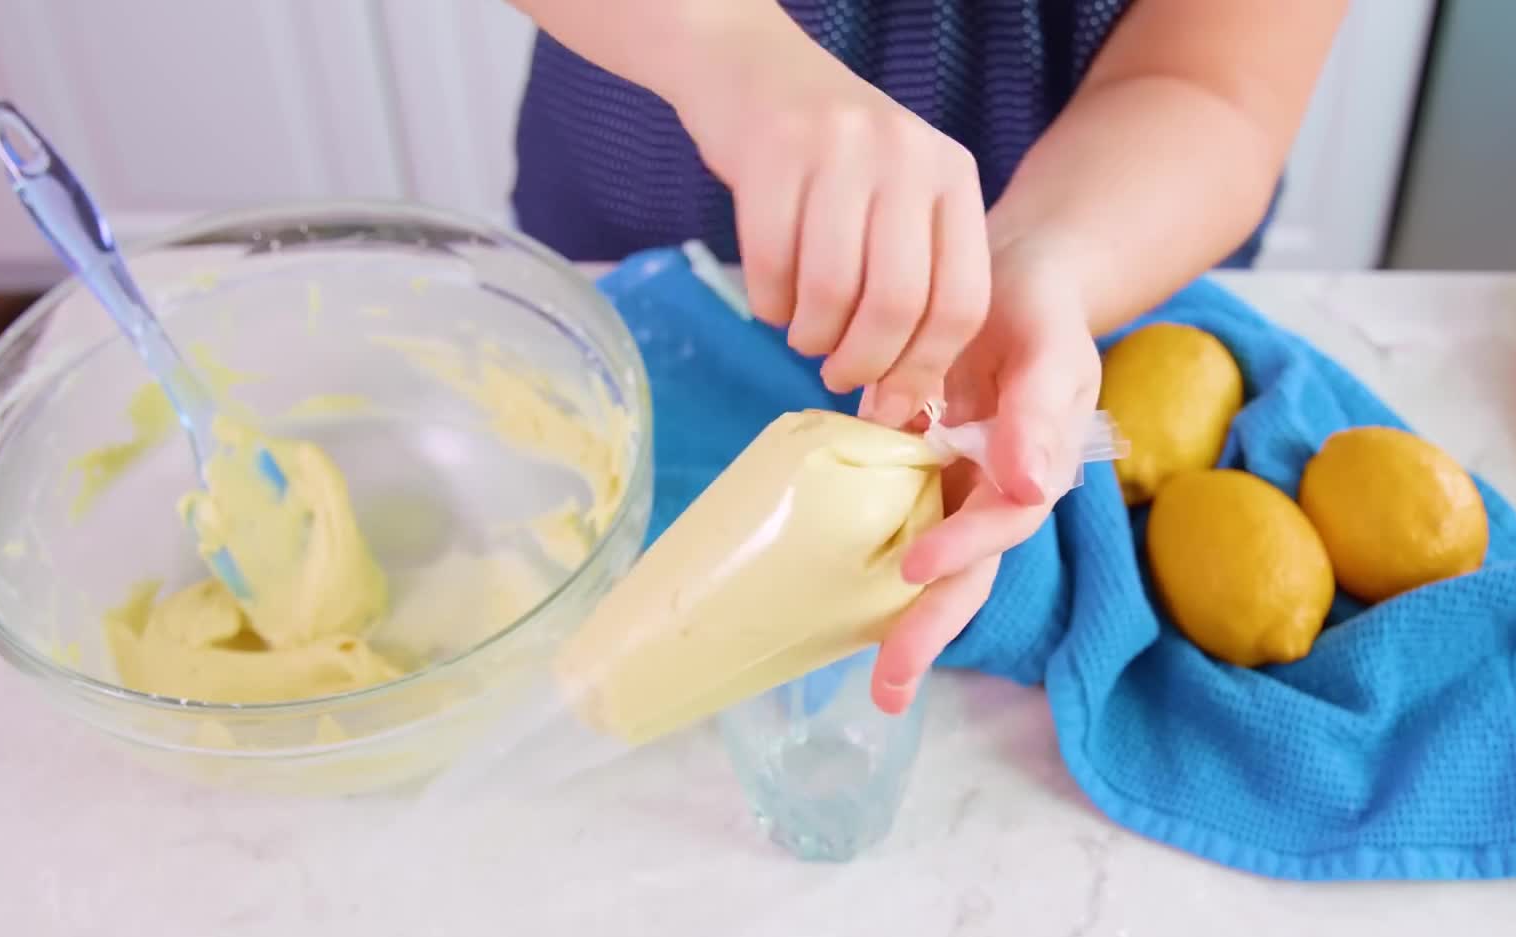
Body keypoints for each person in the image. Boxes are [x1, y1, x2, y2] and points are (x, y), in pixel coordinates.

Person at [505, 0, 1346, 712]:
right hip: (649, 164)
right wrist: (726, 47)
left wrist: (1041, 264)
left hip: (1106, 201)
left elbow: (1213, 85)